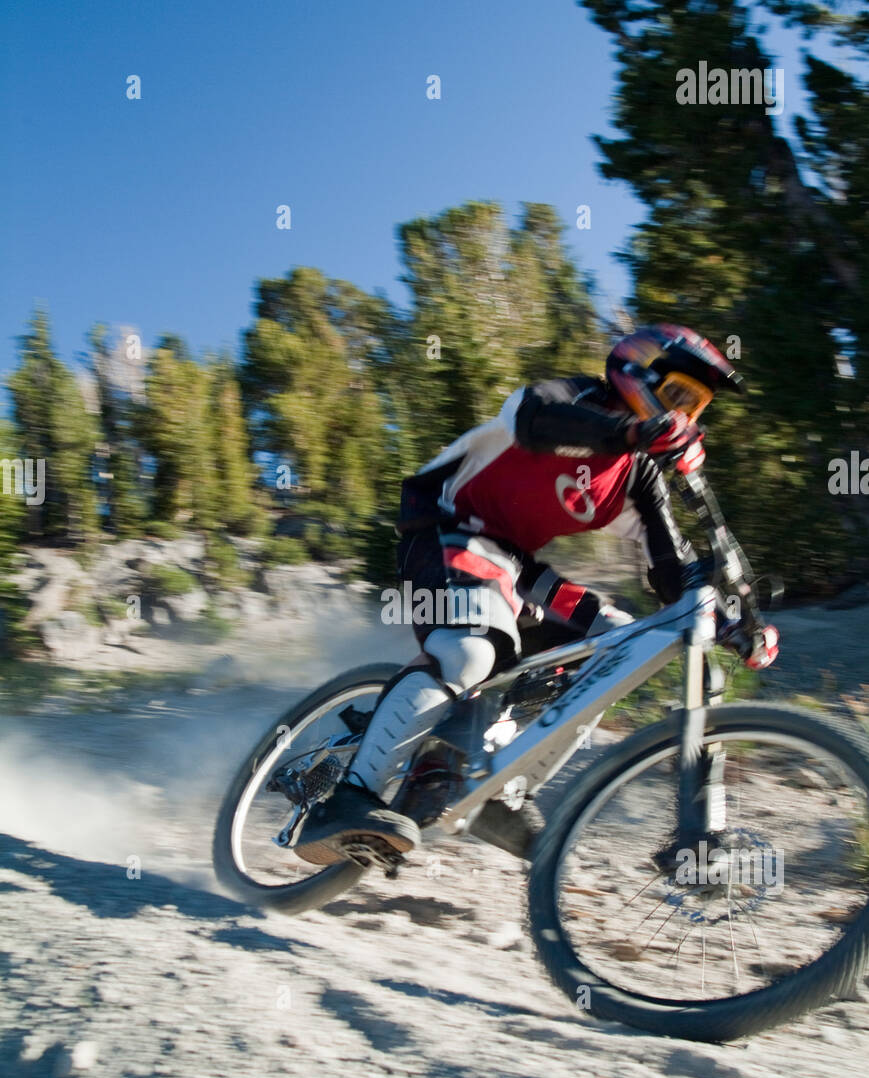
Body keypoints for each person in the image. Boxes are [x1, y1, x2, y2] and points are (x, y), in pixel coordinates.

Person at [295, 323, 763, 866]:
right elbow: (532, 422)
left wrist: (732, 619)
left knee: (618, 645)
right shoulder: (568, 401)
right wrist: (632, 434)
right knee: (471, 651)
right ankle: (350, 800)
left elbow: (672, 575)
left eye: (696, 407)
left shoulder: (638, 477)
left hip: (515, 564)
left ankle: (501, 793)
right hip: (446, 526)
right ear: (640, 371)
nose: (685, 415)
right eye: (680, 395)